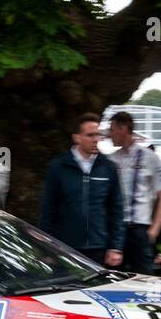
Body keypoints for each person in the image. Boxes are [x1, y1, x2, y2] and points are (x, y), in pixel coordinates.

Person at [39, 112, 124, 266]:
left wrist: (115, 247)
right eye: (90, 135)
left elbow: (116, 209)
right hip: (64, 248)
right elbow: (48, 209)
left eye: (98, 134)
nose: (96, 139)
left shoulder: (108, 167)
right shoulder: (58, 167)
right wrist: (47, 247)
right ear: (77, 138)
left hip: (99, 247)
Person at [106, 111, 161, 274]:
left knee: (143, 278)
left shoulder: (150, 158)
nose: (109, 134)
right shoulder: (110, 160)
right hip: (115, 229)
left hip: (140, 230)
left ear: (123, 129)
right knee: (113, 275)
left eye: (112, 129)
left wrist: (154, 231)